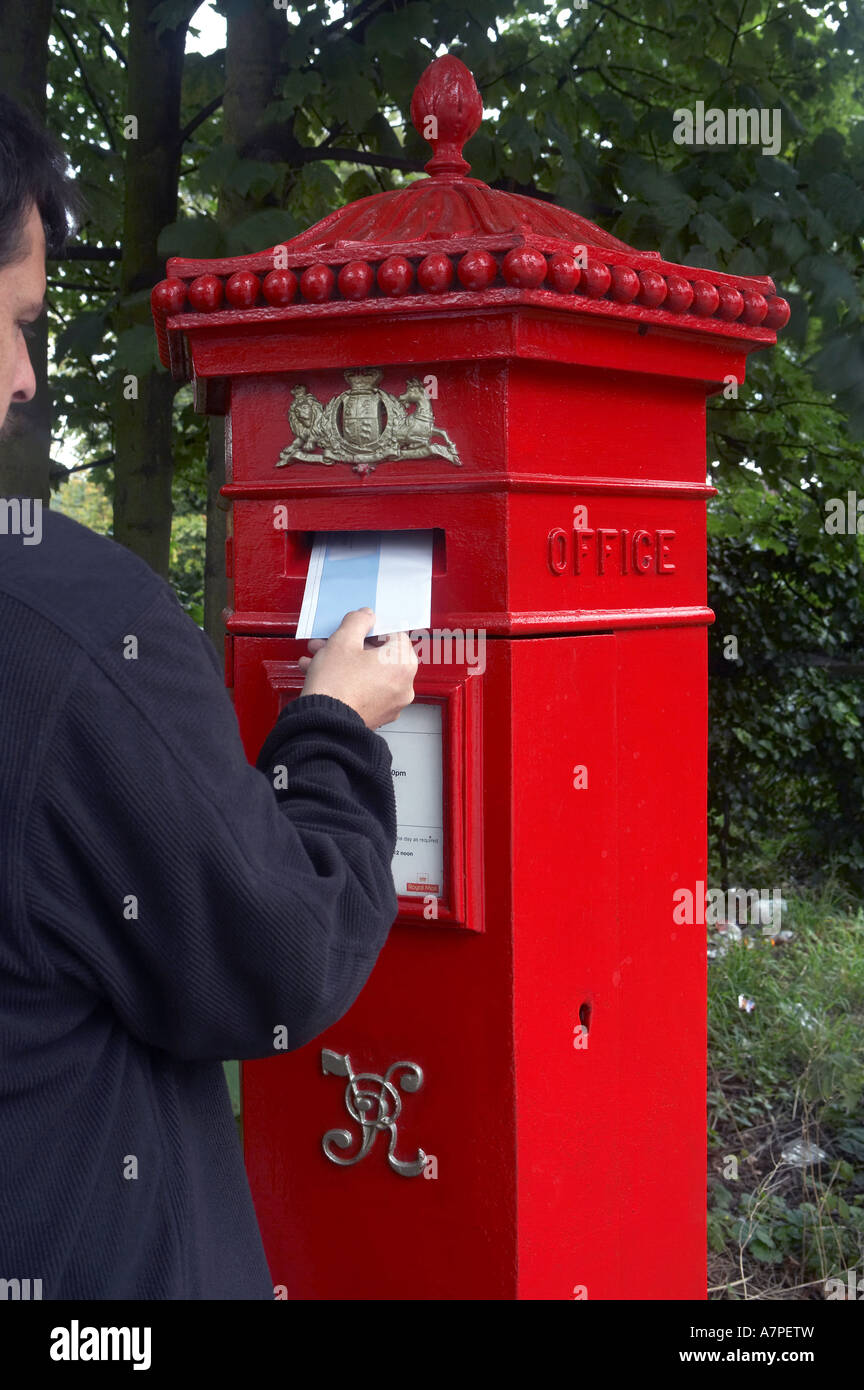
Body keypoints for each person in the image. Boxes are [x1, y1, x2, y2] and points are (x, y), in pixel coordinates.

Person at [0, 93, 417, 1300]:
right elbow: (276, 950)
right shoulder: (73, 633)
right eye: (21, 322)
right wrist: (333, 731)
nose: (28, 377)